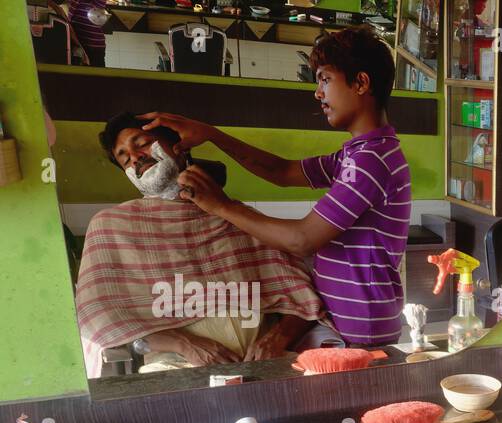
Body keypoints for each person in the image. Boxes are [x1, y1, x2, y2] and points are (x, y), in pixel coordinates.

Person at [139, 26, 411, 348]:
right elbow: (282, 171)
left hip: (362, 331)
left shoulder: (371, 161)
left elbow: (302, 239)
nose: (318, 93)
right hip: (346, 322)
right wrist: (212, 134)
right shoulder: (355, 155)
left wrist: (222, 206)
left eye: (325, 79)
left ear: (361, 83)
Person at [76, 113, 333, 377]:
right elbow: (101, 318)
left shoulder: (234, 216)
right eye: (124, 156)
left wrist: (277, 338)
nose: (135, 157)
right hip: (178, 365)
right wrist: (185, 344)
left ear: (178, 147)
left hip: (266, 359)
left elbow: (303, 298)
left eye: (141, 143)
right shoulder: (111, 226)